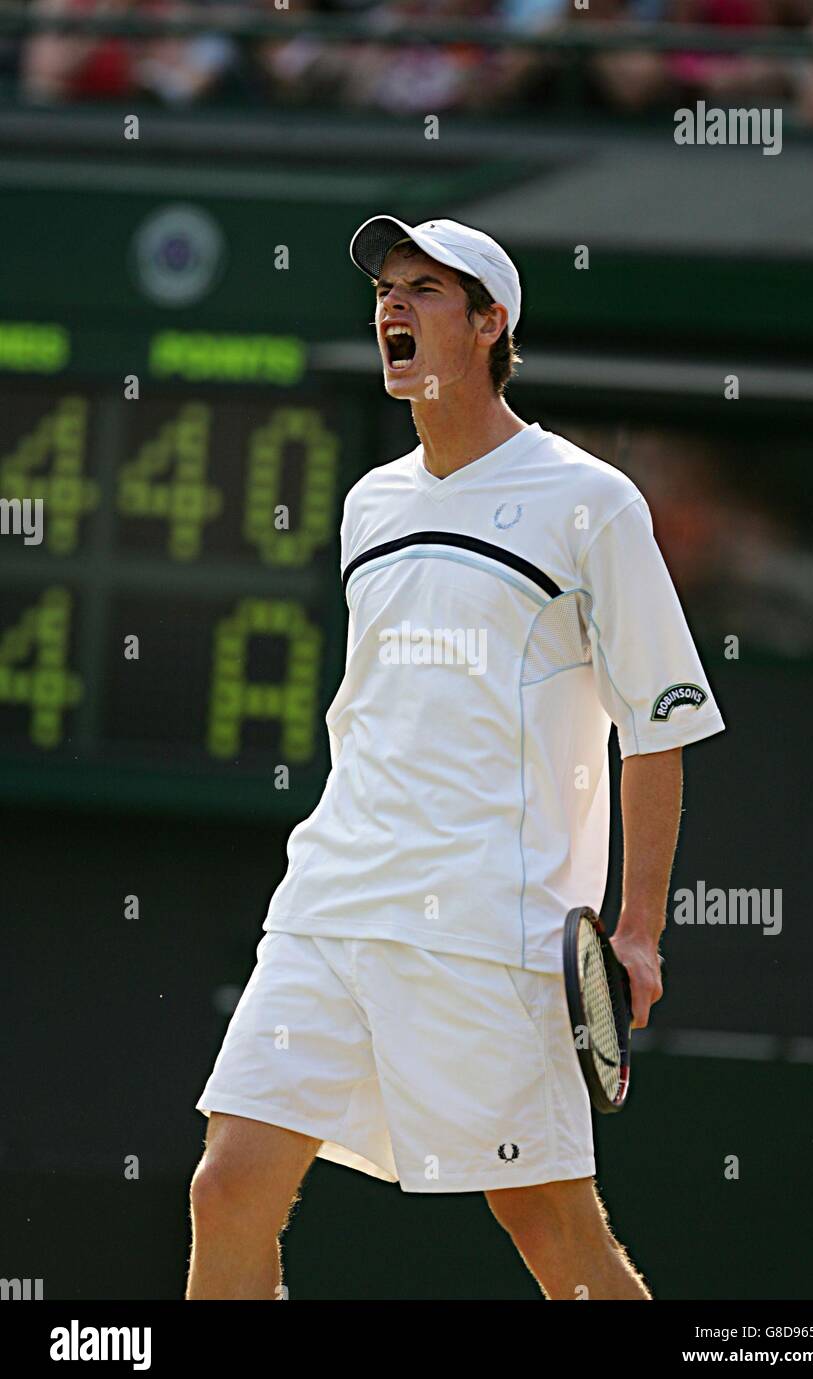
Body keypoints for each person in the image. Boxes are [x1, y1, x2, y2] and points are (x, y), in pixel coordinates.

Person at [187, 216, 725, 1301]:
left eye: (428, 289)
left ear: (491, 325)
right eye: (388, 288)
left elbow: (658, 728)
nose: (394, 306)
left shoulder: (591, 502)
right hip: (331, 900)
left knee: (550, 1230)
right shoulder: (368, 503)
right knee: (227, 1185)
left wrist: (640, 929)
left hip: (490, 925)